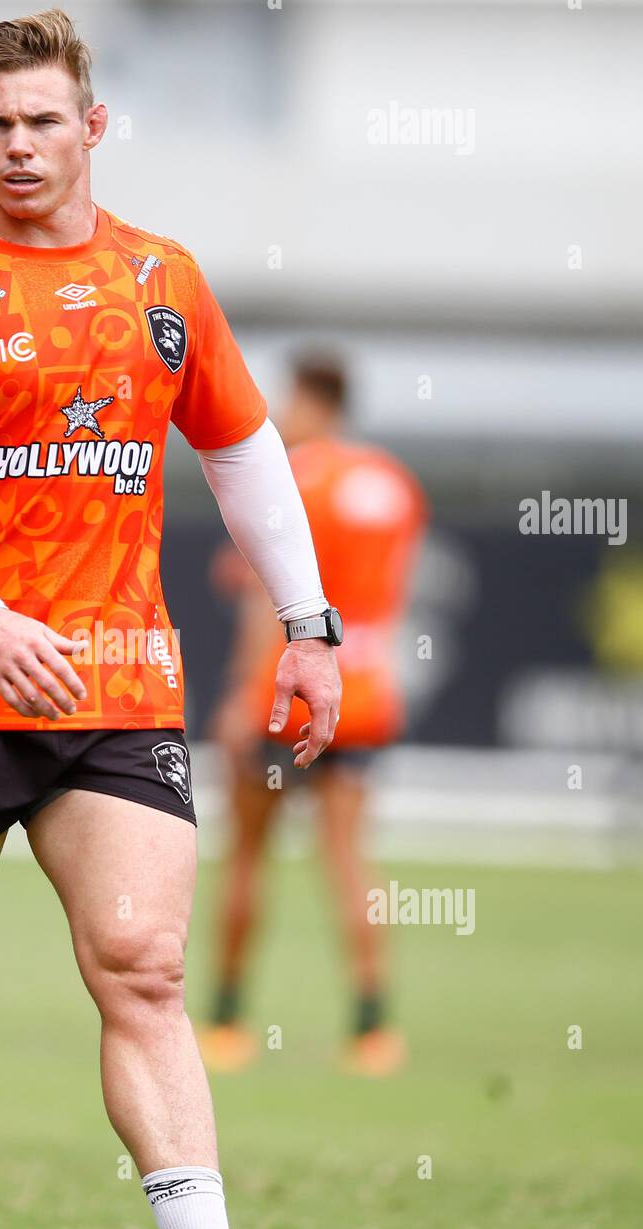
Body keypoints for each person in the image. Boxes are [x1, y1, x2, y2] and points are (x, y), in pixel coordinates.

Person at [0, 9, 343, 1229]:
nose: (19, 145)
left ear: (92, 127)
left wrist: (309, 623)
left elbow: (242, 453)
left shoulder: (164, 280)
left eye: (43, 120)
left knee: (145, 961)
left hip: (119, 684)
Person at [201, 356, 428, 1078]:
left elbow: (268, 599)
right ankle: (371, 1028)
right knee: (350, 859)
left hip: (287, 693)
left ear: (311, 398)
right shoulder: (393, 484)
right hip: (362, 694)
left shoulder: (293, 477)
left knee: (246, 855)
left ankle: (228, 1019)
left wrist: (242, 696)